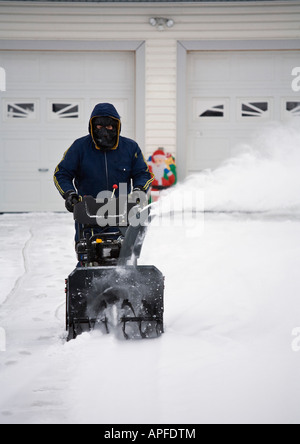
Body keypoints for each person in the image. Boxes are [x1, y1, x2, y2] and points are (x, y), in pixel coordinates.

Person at [54, 103, 154, 238]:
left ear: (116, 126)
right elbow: (62, 173)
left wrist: (139, 190)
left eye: (109, 126)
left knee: (123, 254)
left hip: (122, 212)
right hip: (88, 213)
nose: (104, 131)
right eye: (99, 127)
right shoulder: (79, 147)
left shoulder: (130, 148)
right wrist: (69, 193)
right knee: (88, 253)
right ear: (92, 127)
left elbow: (143, 173)